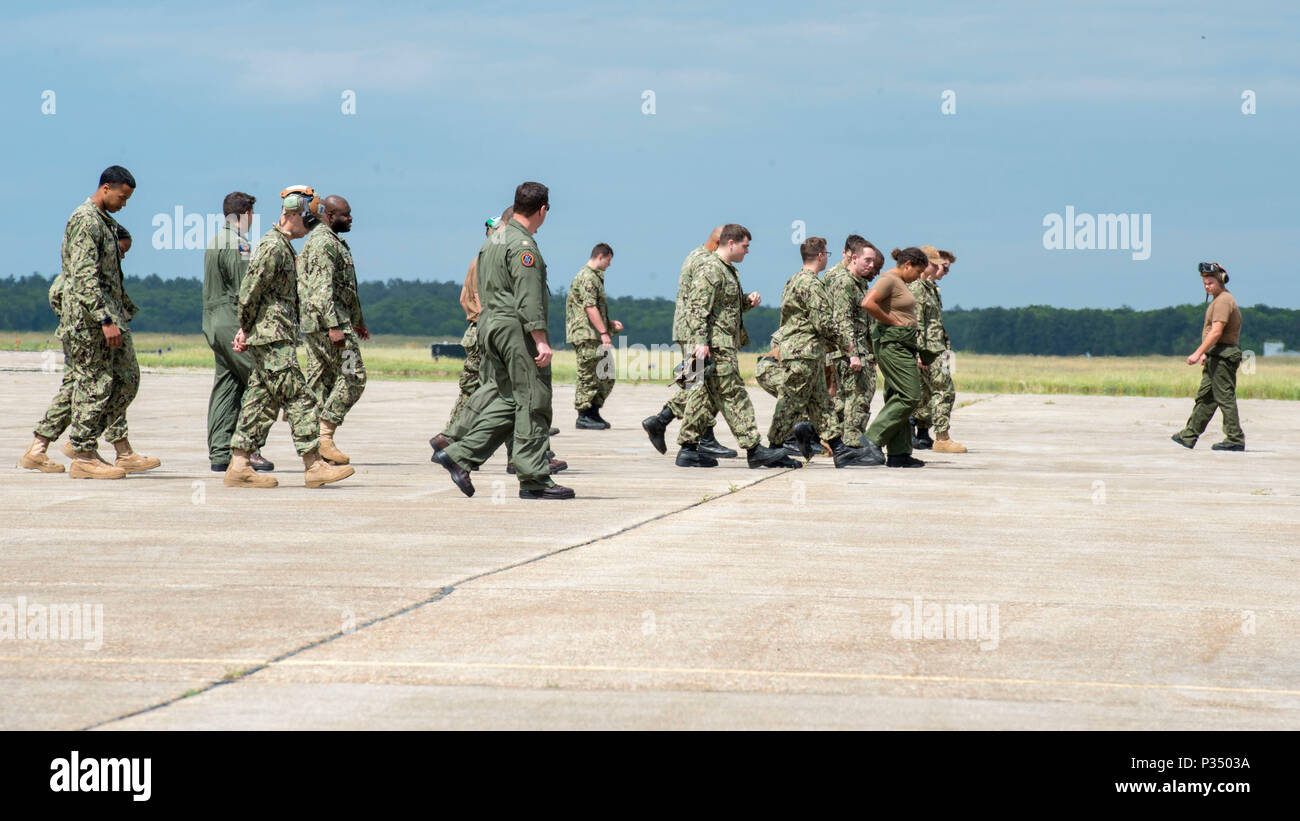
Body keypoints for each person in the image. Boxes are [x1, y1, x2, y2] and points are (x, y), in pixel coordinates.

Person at [432, 181, 574, 499]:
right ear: (542, 210)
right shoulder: (523, 247)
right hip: (515, 329)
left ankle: (461, 456)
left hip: (489, 326)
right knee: (534, 400)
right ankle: (535, 477)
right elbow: (528, 297)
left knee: (507, 400)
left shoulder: (494, 239)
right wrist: (540, 339)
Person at [20, 166, 155, 479]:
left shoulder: (105, 223)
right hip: (90, 322)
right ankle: (82, 453)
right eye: (122, 197)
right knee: (95, 383)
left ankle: (50, 446)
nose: (124, 204)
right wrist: (104, 318)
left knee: (123, 380)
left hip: (109, 317)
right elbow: (83, 276)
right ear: (106, 188)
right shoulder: (86, 220)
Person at [224, 186, 353, 489]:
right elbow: (248, 292)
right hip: (272, 337)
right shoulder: (273, 248)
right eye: (305, 221)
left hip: (272, 335)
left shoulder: (283, 246)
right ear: (291, 215)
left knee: (259, 400)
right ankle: (314, 465)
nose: (308, 228)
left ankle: (239, 465)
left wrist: (248, 329)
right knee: (300, 397)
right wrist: (246, 326)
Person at [675, 224, 789, 469]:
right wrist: (700, 342)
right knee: (734, 394)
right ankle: (754, 448)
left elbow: (724, 307)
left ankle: (687, 449)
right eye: (745, 246)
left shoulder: (727, 271)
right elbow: (697, 309)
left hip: (722, 341)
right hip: (715, 345)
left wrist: (746, 301)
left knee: (705, 398)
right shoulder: (711, 269)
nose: (747, 251)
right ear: (731, 243)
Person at [769, 237, 878, 468]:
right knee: (790, 403)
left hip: (806, 351)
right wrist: (846, 344)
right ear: (820, 256)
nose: (828, 258)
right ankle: (774, 449)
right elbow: (825, 322)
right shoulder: (811, 284)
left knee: (822, 403)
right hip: (803, 352)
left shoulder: (794, 280)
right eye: (826, 254)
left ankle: (839, 449)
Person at [641, 226, 735, 459]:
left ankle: (664, 421)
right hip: (695, 331)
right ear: (718, 244)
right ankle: (699, 435)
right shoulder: (706, 262)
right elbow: (700, 304)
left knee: (696, 381)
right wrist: (701, 337)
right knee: (701, 383)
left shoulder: (695, 256)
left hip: (690, 329)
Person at [203, 191, 273, 473]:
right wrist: (251, 327)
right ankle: (249, 448)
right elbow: (246, 290)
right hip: (233, 320)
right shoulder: (238, 244)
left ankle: (220, 452)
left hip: (213, 321)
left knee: (227, 385)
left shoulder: (216, 240)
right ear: (246, 214)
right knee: (261, 381)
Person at [299, 194, 369, 465]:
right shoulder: (323, 243)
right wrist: (334, 326)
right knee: (353, 375)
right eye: (345, 215)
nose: (350, 219)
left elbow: (346, 289)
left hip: (328, 322)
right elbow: (321, 288)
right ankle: (325, 437)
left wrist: (358, 320)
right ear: (329, 215)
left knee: (321, 383)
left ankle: (314, 446)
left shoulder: (330, 242)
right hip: (330, 324)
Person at [860, 247, 929, 468]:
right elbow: (868, 303)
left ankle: (899, 453)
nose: (919, 277)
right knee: (910, 395)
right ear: (907, 264)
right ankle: (871, 438)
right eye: (918, 271)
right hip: (893, 344)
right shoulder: (889, 279)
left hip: (903, 344)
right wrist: (892, 320)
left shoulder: (900, 282)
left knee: (897, 395)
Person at [1172, 262, 1245, 451]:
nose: (1207, 286)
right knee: (1205, 397)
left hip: (1223, 355)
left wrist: (1197, 353)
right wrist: (1206, 353)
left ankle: (1235, 439)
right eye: (1205, 283)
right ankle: (1189, 435)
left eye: (1210, 282)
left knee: (1224, 397)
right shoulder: (1218, 300)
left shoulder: (1223, 301)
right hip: (1215, 354)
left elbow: (1216, 331)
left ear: (1220, 281)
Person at [823, 235, 881, 451]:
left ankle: (830, 437)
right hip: (850, 353)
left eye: (873, 261)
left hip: (860, 351)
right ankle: (852, 446)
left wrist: (870, 353)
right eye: (867, 260)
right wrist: (852, 353)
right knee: (857, 400)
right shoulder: (844, 282)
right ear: (853, 258)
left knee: (850, 400)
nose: (871, 265)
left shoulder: (859, 284)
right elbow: (842, 320)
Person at [911, 248, 966, 453]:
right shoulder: (917, 288)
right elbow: (916, 323)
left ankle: (934, 434)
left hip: (938, 349)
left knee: (940, 392)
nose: (941, 271)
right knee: (944, 391)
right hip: (929, 350)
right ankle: (942, 437)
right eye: (938, 265)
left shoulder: (931, 289)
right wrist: (919, 353)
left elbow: (936, 324)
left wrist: (947, 349)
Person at [566, 242, 622, 429]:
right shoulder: (587, 277)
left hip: (594, 333)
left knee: (606, 375)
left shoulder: (595, 278)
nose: (609, 264)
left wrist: (609, 324)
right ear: (600, 256)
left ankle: (593, 411)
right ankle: (583, 415)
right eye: (608, 260)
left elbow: (594, 308)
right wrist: (604, 332)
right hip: (586, 335)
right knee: (588, 375)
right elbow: (590, 307)